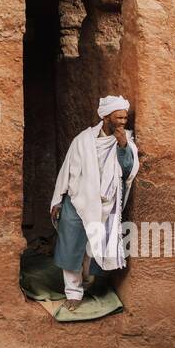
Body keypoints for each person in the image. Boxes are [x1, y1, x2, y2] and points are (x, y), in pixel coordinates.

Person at [49, 95, 138, 310]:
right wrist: (57, 199)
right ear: (106, 117)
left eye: (125, 118)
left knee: (92, 247)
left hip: (105, 204)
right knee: (71, 246)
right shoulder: (83, 140)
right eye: (119, 117)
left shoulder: (125, 140)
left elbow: (128, 172)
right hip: (77, 201)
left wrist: (123, 145)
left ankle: (87, 282)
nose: (123, 122)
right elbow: (67, 169)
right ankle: (73, 293)